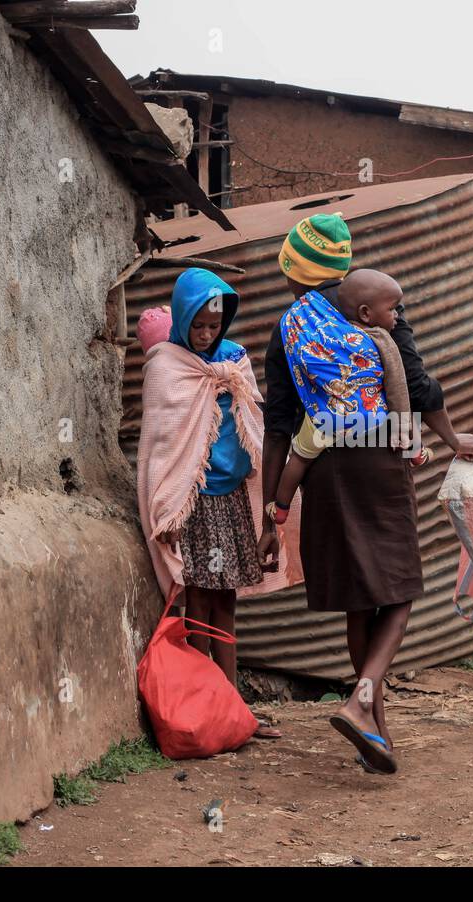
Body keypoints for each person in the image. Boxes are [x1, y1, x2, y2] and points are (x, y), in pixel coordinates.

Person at [259, 214, 473, 773]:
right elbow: (422, 385)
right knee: (401, 588)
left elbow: (279, 426)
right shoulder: (376, 310)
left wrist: (271, 514)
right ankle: (364, 704)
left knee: (360, 597)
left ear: (292, 271)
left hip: (325, 473)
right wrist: (453, 440)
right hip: (379, 464)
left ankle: (375, 731)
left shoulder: (288, 329)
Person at [136, 268, 296, 738]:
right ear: (183, 319)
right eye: (199, 325)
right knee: (199, 604)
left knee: (226, 602)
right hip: (195, 504)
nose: (207, 335)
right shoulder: (169, 365)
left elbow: (256, 427)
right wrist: (166, 507)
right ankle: (207, 708)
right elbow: (162, 445)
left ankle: (232, 706)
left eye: (214, 325)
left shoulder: (233, 361)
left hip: (229, 499)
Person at [266, 268, 428, 526]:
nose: (397, 315)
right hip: (369, 421)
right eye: (392, 309)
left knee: (298, 458)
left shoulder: (319, 334)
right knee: (398, 410)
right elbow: (398, 389)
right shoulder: (380, 339)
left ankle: (281, 508)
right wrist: (405, 431)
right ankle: (417, 452)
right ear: (366, 313)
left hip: (325, 423)